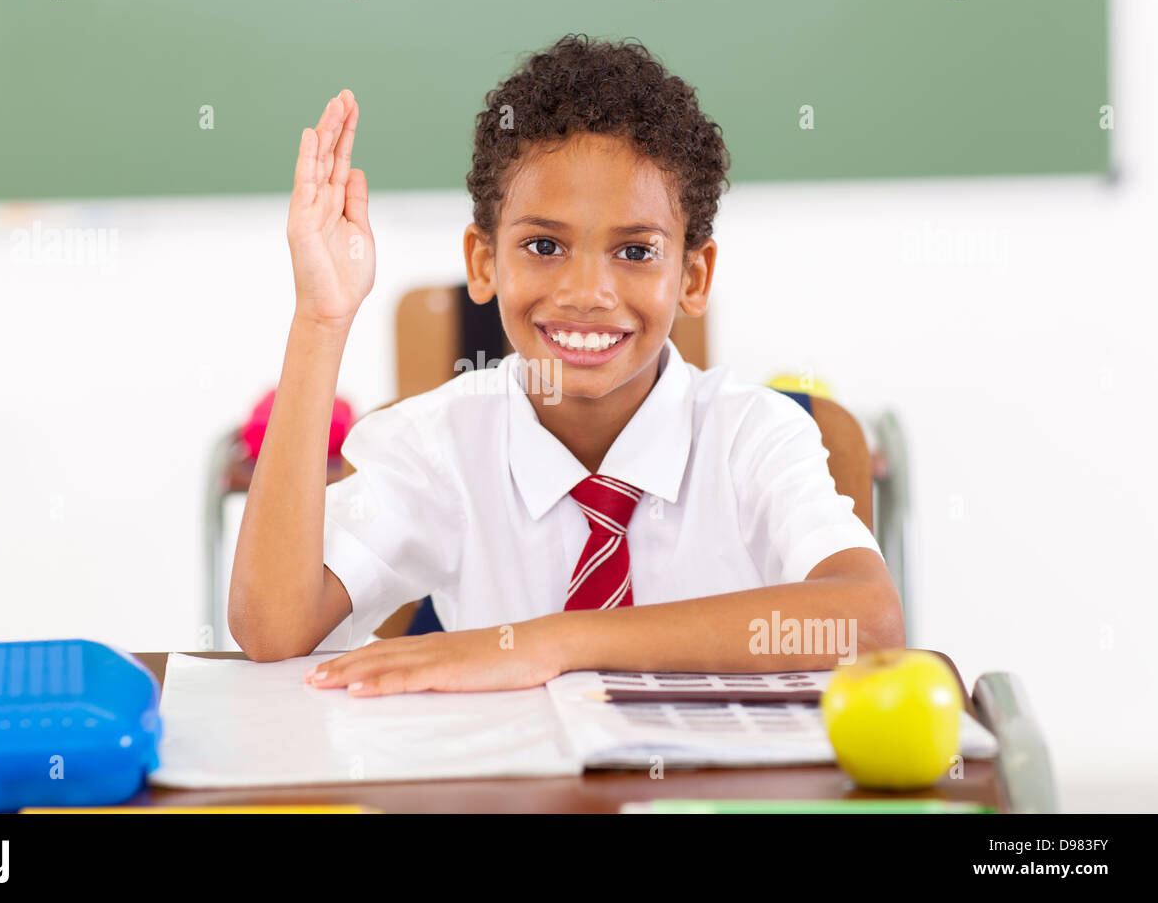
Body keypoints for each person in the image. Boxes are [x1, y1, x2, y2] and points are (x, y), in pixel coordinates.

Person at [228, 35, 903, 696]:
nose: (587, 293)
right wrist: (322, 319)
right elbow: (270, 629)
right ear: (483, 262)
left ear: (693, 278)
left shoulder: (754, 437)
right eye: (544, 244)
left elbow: (869, 626)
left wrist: (552, 642)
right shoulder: (439, 444)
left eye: (635, 252)